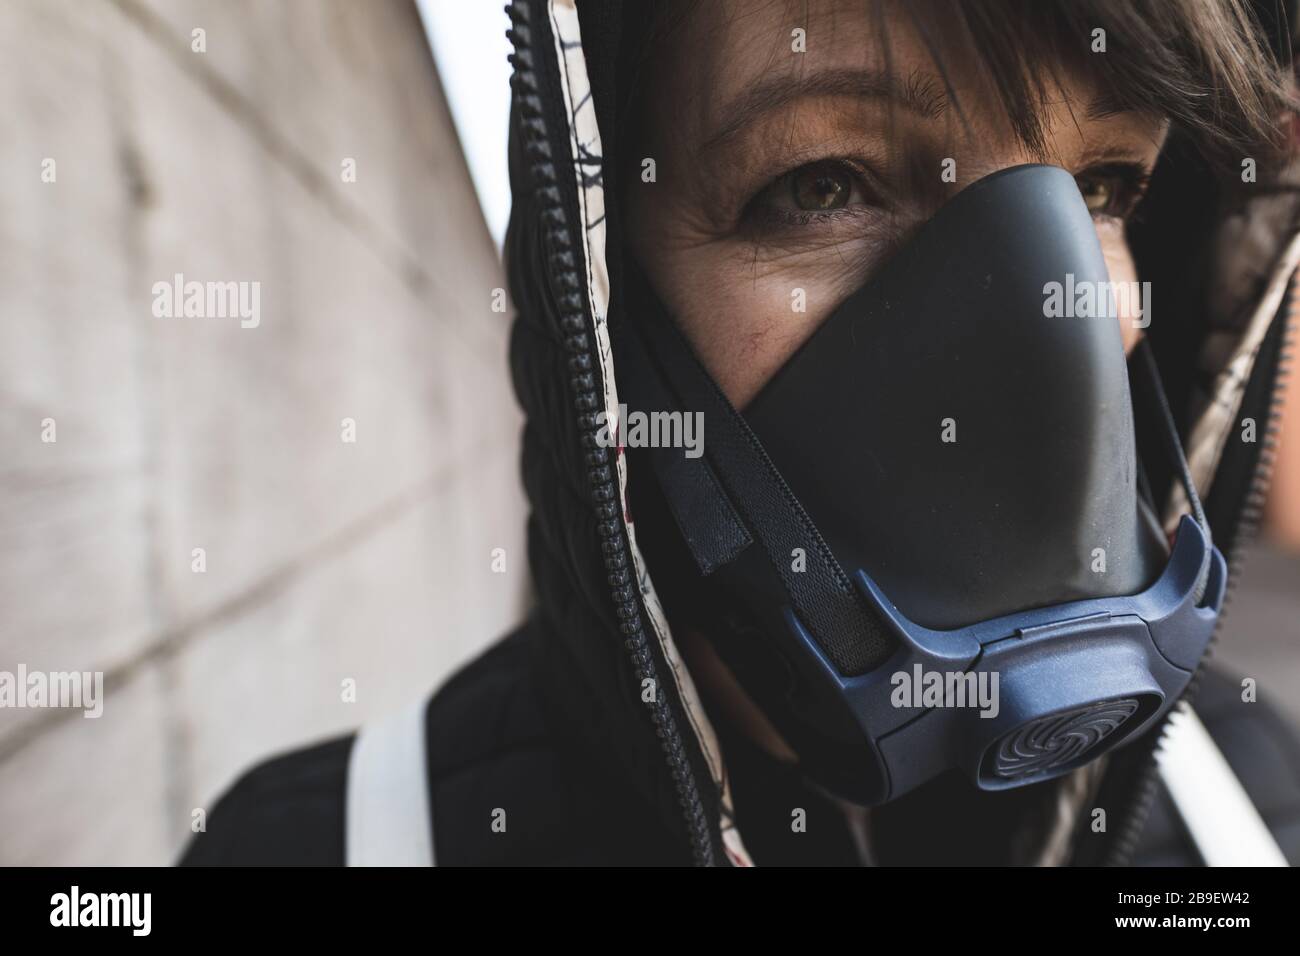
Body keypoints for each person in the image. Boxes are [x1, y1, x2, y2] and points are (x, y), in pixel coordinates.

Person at [182, 0, 1300, 867]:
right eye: (823, 183)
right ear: (606, 308)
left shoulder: (1248, 800)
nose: (1051, 321)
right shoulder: (322, 845)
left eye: (1105, 188)